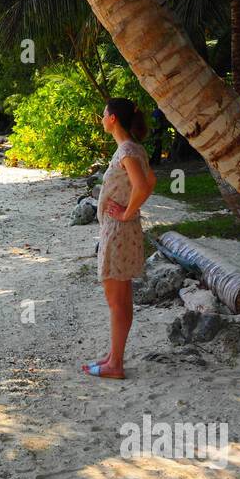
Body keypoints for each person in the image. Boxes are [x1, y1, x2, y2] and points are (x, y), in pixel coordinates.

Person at [83, 99, 156, 380]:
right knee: (122, 299)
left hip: (118, 232)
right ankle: (114, 357)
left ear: (112, 119)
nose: (101, 118)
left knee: (116, 301)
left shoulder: (126, 150)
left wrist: (126, 213)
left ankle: (115, 365)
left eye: (103, 114)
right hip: (123, 231)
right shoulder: (134, 148)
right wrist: (130, 211)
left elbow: (141, 185)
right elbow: (151, 183)